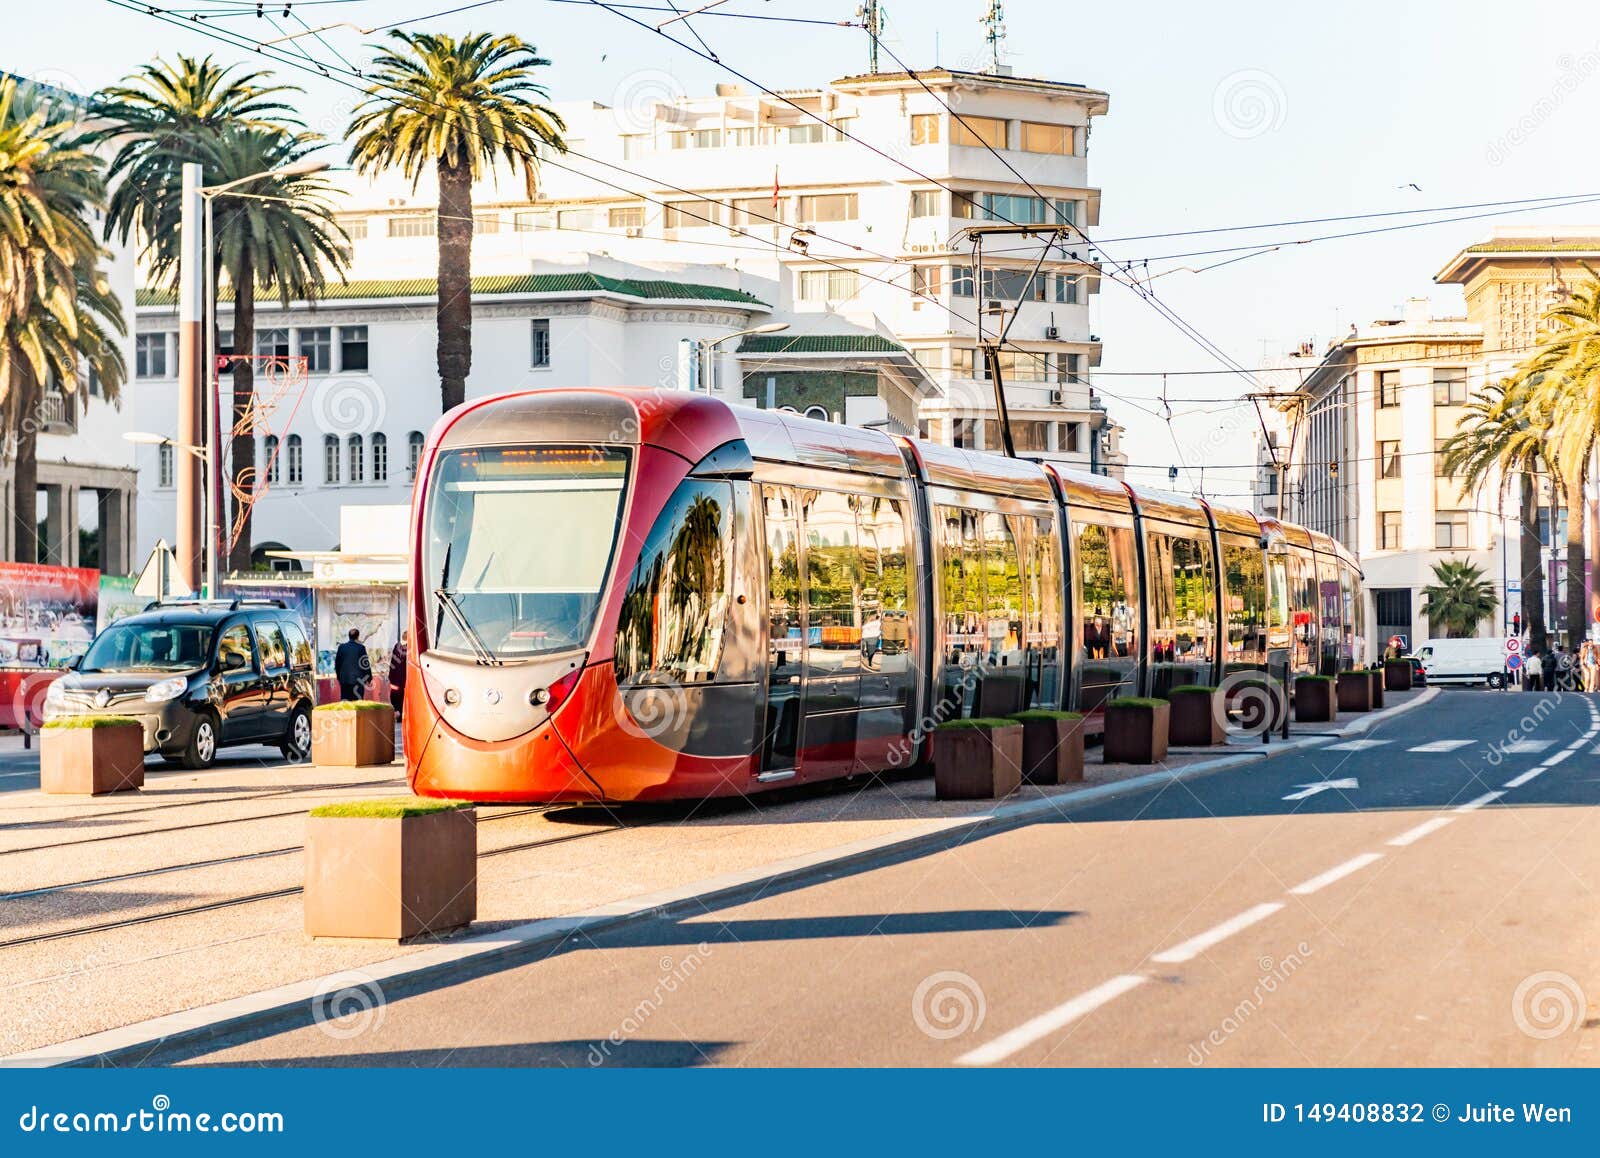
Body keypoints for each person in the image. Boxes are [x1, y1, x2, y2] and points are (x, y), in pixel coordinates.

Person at [335, 628, 371, 702]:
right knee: (358, 704)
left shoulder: (341, 647)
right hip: (358, 682)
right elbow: (365, 664)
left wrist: (339, 677)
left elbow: (337, 664)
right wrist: (369, 678)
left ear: (349, 636)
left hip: (345, 681)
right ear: (358, 636)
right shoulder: (361, 648)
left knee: (345, 704)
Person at [388, 635, 408, 719]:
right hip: (403, 677)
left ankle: (397, 712)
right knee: (401, 696)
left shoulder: (397, 646)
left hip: (395, 677)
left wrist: (390, 676)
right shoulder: (408, 648)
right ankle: (399, 713)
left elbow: (393, 662)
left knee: (395, 696)